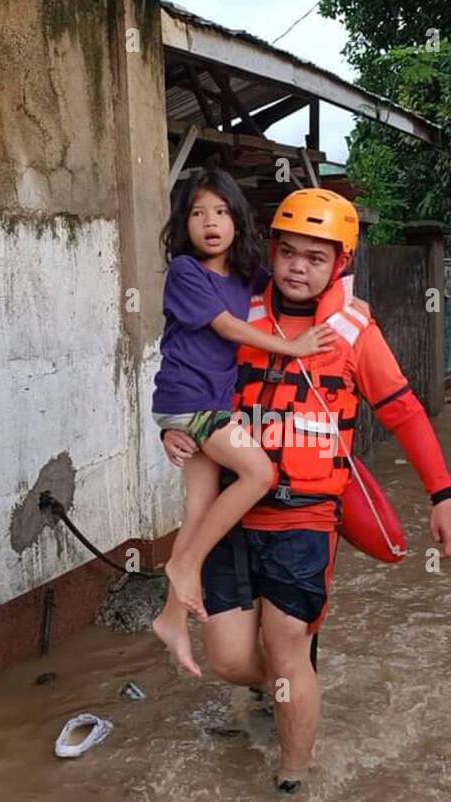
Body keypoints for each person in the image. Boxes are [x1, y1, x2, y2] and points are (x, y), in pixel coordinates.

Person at [162, 188, 451, 793]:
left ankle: (292, 780)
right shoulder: (237, 308)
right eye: (289, 253)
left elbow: (402, 411)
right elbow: (187, 371)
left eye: (316, 258)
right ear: (270, 253)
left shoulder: (355, 329)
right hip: (232, 516)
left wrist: (443, 494)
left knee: (288, 645)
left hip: (304, 519)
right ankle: (281, 683)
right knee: (226, 658)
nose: (299, 267)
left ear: (340, 264)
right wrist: (173, 427)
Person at [150, 170, 336, 675]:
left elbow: (294, 282)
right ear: (182, 223)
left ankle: (170, 617)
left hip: (200, 409)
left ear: (237, 220)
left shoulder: (245, 276)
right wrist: (294, 347)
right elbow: (228, 327)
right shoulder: (187, 273)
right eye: (196, 213)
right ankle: (185, 567)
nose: (209, 222)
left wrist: (348, 301)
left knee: (199, 507)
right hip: (194, 403)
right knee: (258, 473)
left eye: (221, 212)